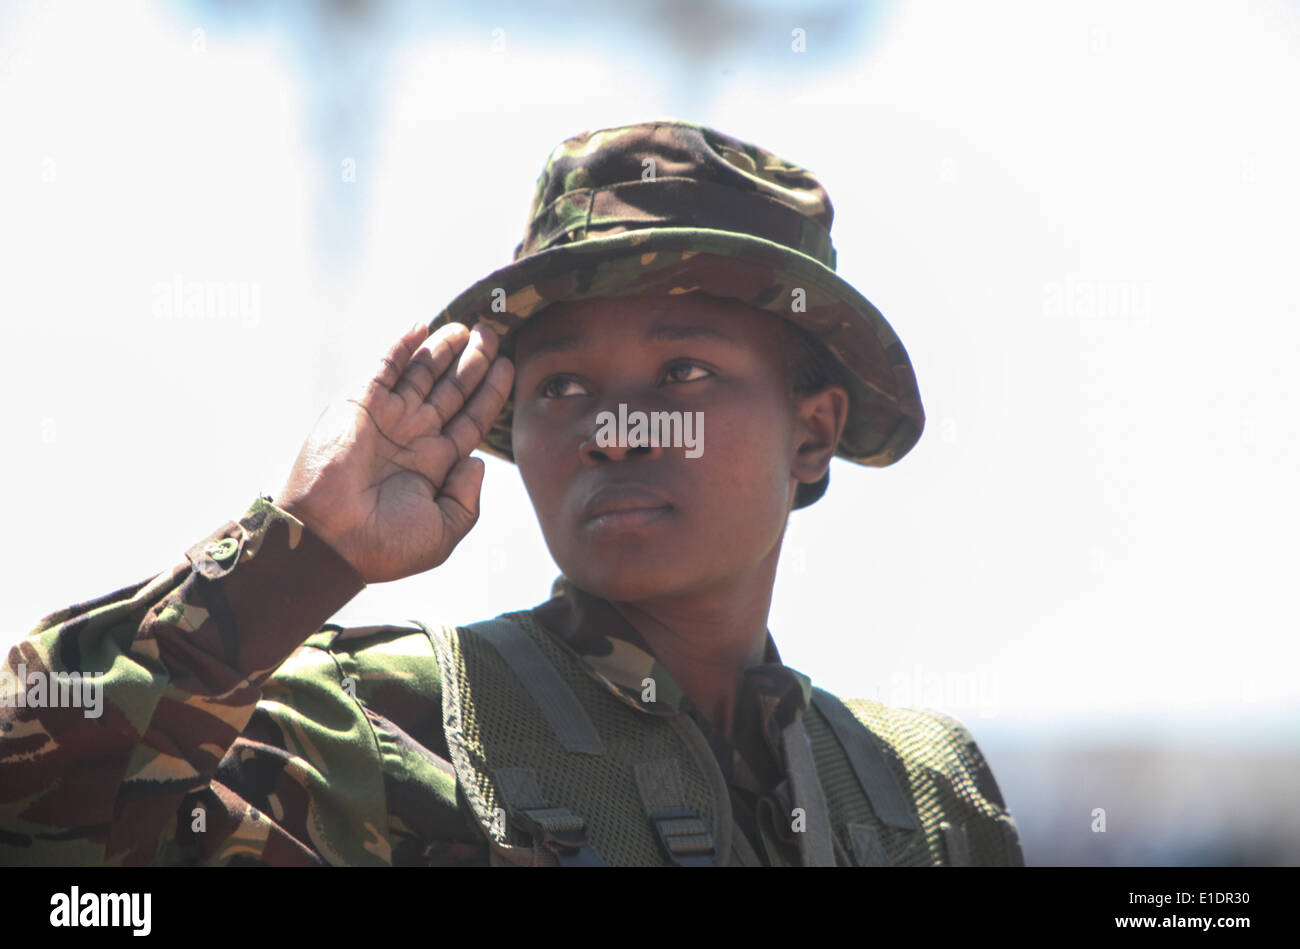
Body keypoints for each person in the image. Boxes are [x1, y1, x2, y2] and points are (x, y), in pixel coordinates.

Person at [0, 119, 1025, 866]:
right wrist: (301, 550)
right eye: (563, 386)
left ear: (812, 431)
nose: (614, 431)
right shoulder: (386, 725)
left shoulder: (919, 796)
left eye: (684, 374)